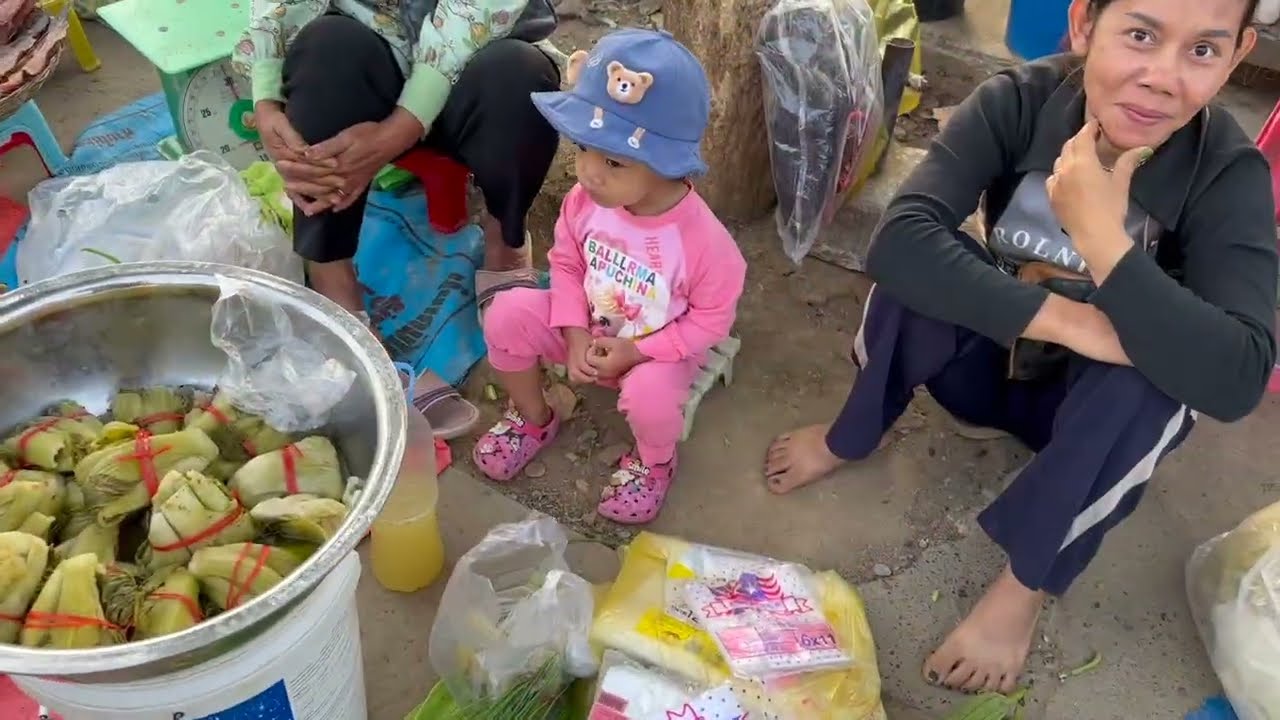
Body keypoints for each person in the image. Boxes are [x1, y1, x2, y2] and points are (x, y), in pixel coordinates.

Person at [765, 0, 1276, 694]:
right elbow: (901, 238)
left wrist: (1102, 241)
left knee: (1159, 387)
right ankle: (849, 435)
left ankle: (1022, 588)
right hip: (989, 365)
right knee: (921, 274)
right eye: (1140, 35)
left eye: (1203, 51)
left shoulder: (1226, 175)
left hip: (1094, 423)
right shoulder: (1021, 101)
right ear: (1083, 26)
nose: (1162, 76)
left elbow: (1238, 376)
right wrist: (1076, 323)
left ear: (1239, 53)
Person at [233, 0, 562, 438]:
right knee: (328, 48)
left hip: (474, 54)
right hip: (372, 53)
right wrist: (268, 98)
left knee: (518, 74)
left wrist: (403, 127)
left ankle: (504, 245)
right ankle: (335, 283)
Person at [474, 28, 747, 524]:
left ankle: (654, 463)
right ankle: (535, 417)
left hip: (653, 349)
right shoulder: (586, 203)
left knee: (650, 397)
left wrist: (637, 351)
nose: (588, 173)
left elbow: (710, 324)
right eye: (582, 149)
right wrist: (574, 335)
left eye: (613, 161)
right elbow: (566, 263)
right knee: (505, 313)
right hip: (588, 327)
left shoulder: (705, 245)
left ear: (667, 165)